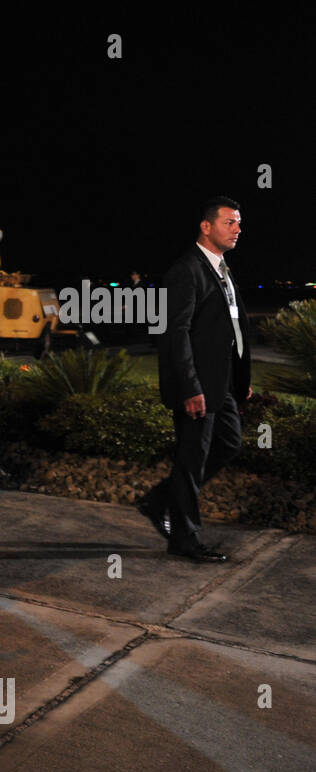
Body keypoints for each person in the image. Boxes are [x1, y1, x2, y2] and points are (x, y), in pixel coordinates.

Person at [136, 196, 251, 562]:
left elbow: (230, 328)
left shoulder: (221, 269)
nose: (238, 229)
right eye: (229, 222)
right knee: (191, 460)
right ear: (206, 226)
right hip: (196, 385)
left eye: (239, 222)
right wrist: (190, 387)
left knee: (229, 443)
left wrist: (240, 377)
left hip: (221, 382)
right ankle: (184, 539)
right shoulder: (186, 270)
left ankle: (159, 500)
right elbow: (176, 333)